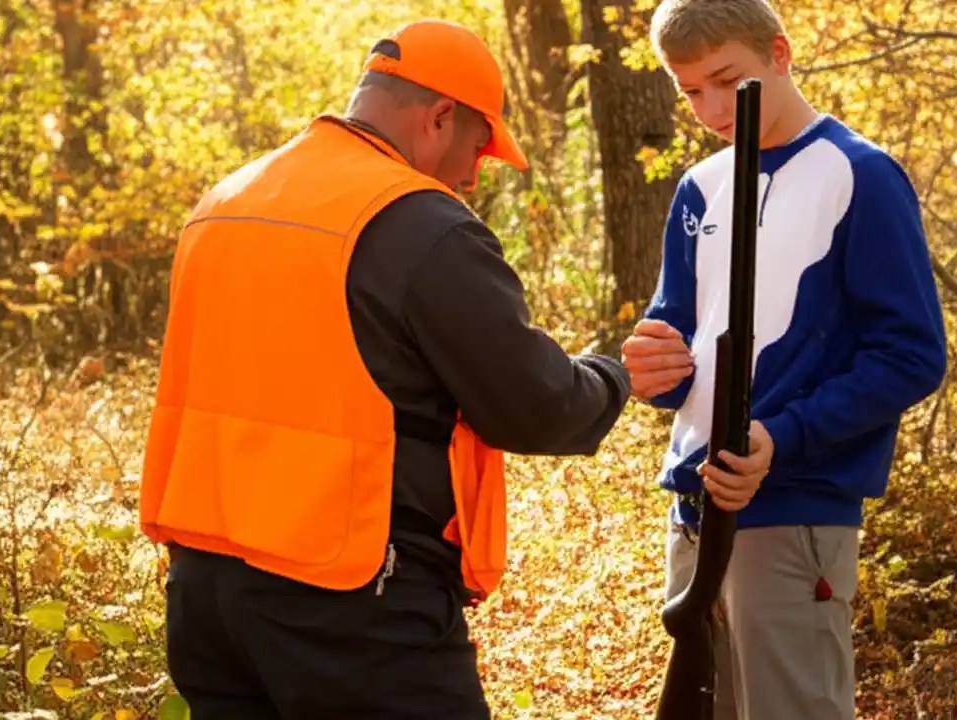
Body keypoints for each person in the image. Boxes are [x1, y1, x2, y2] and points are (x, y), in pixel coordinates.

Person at [137, 19, 631, 720]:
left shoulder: (224, 203)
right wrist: (616, 376)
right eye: (476, 148)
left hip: (204, 597)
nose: (470, 175)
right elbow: (537, 405)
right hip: (350, 605)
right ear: (439, 117)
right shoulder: (421, 222)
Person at [622, 0, 949, 717]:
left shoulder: (861, 174)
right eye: (689, 90)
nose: (709, 107)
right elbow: (679, 332)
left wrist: (784, 436)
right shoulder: (699, 188)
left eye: (725, 79)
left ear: (780, 52)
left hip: (796, 508)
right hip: (693, 509)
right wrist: (654, 368)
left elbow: (912, 354)